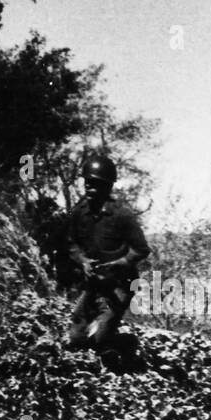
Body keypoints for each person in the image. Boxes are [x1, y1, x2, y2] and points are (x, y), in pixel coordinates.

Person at [65, 152, 151, 365]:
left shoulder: (122, 216)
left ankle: (126, 347)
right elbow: (70, 244)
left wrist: (121, 263)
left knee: (99, 337)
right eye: (87, 183)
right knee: (76, 337)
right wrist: (83, 261)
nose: (89, 188)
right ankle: (102, 349)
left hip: (120, 285)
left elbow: (141, 249)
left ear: (107, 187)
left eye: (95, 184)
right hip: (94, 283)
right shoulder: (79, 213)